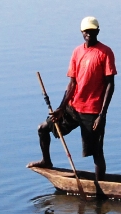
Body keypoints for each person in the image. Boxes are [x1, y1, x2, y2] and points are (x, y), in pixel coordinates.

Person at [29, 17, 116, 193]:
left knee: (97, 153)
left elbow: (110, 85)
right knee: (43, 128)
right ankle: (47, 160)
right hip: (73, 107)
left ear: (97, 31)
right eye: (85, 31)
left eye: (92, 31)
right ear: (81, 32)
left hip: (93, 111)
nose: (88, 34)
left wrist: (102, 114)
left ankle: (100, 191)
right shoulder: (77, 52)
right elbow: (72, 84)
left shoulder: (105, 52)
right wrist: (61, 108)